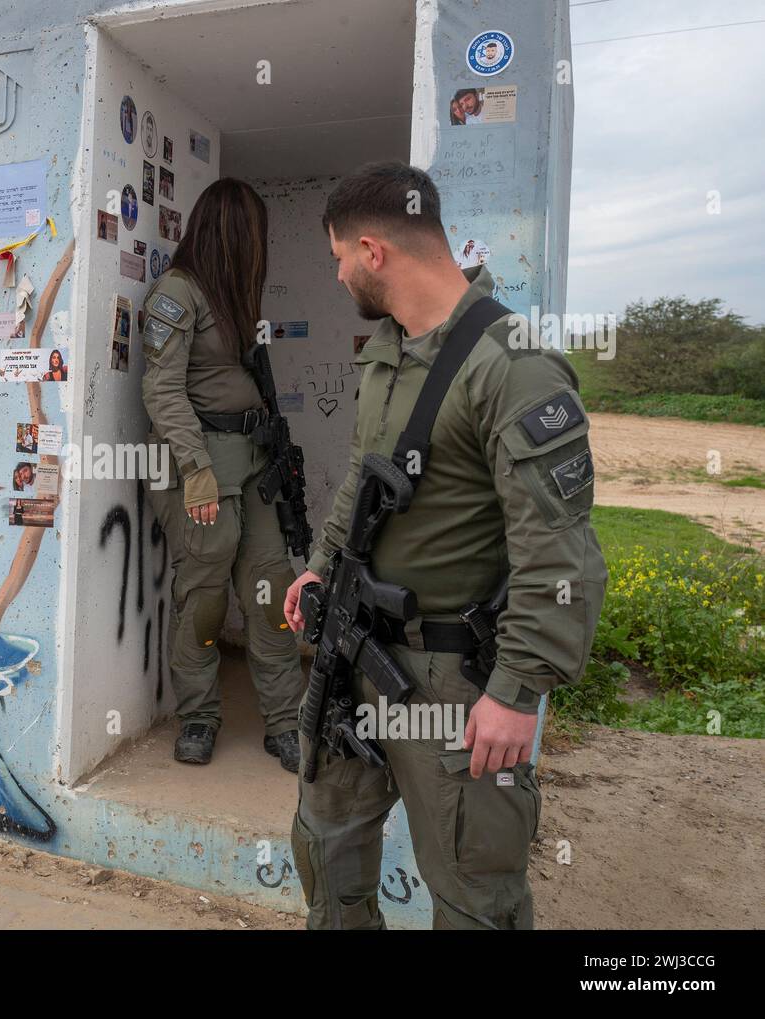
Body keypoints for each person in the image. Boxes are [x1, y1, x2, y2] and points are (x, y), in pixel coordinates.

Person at [283, 161, 606, 929]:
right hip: (356, 652)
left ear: (373, 250)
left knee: (473, 897)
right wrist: (320, 569)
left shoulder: (514, 365)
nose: (336, 277)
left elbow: (559, 554)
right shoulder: (386, 352)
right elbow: (362, 485)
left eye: (336, 259)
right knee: (327, 855)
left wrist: (518, 688)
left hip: (456, 686)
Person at [140, 177, 305, 773]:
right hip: (200, 468)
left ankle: (286, 723)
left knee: (268, 595)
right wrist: (196, 471)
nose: (260, 248)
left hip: (253, 465)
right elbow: (161, 390)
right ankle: (199, 718)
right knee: (204, 600)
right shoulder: (176, 294)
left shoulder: (232, 300)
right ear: (231, 235)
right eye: (253, 236)